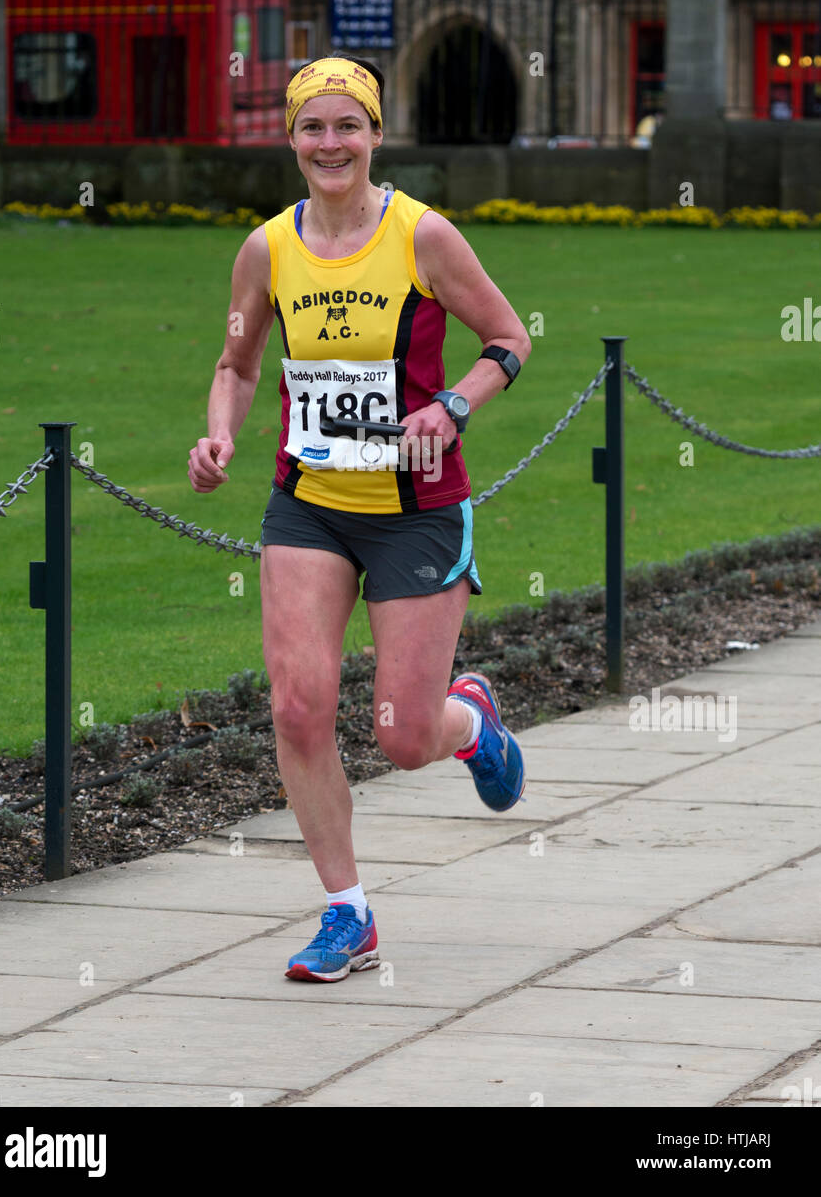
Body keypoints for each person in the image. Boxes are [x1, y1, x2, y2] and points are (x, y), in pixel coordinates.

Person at [188, 54, 531, 983]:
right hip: (310, 507)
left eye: (349, 126)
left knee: (403, 738)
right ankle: (348, 913)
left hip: (417, 509)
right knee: (298, 708)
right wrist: (219, 434)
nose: (331, 143)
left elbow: (509, 339)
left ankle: (470, 720)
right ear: (291, 137)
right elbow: (237, 363)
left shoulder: (424, 236)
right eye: (313, 126)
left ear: (377, 134)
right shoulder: (268, 249)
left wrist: (452, 406)